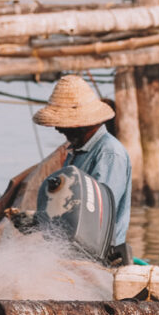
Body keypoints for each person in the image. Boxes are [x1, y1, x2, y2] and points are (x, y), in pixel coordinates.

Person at [32, 74, 132, 251]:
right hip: (74, 249)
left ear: (82, 123)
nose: (58, 129)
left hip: (100, 253)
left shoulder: (109, 153)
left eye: (64, 124)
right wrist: (37, 220)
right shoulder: (76, 151)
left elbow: (98, 214)